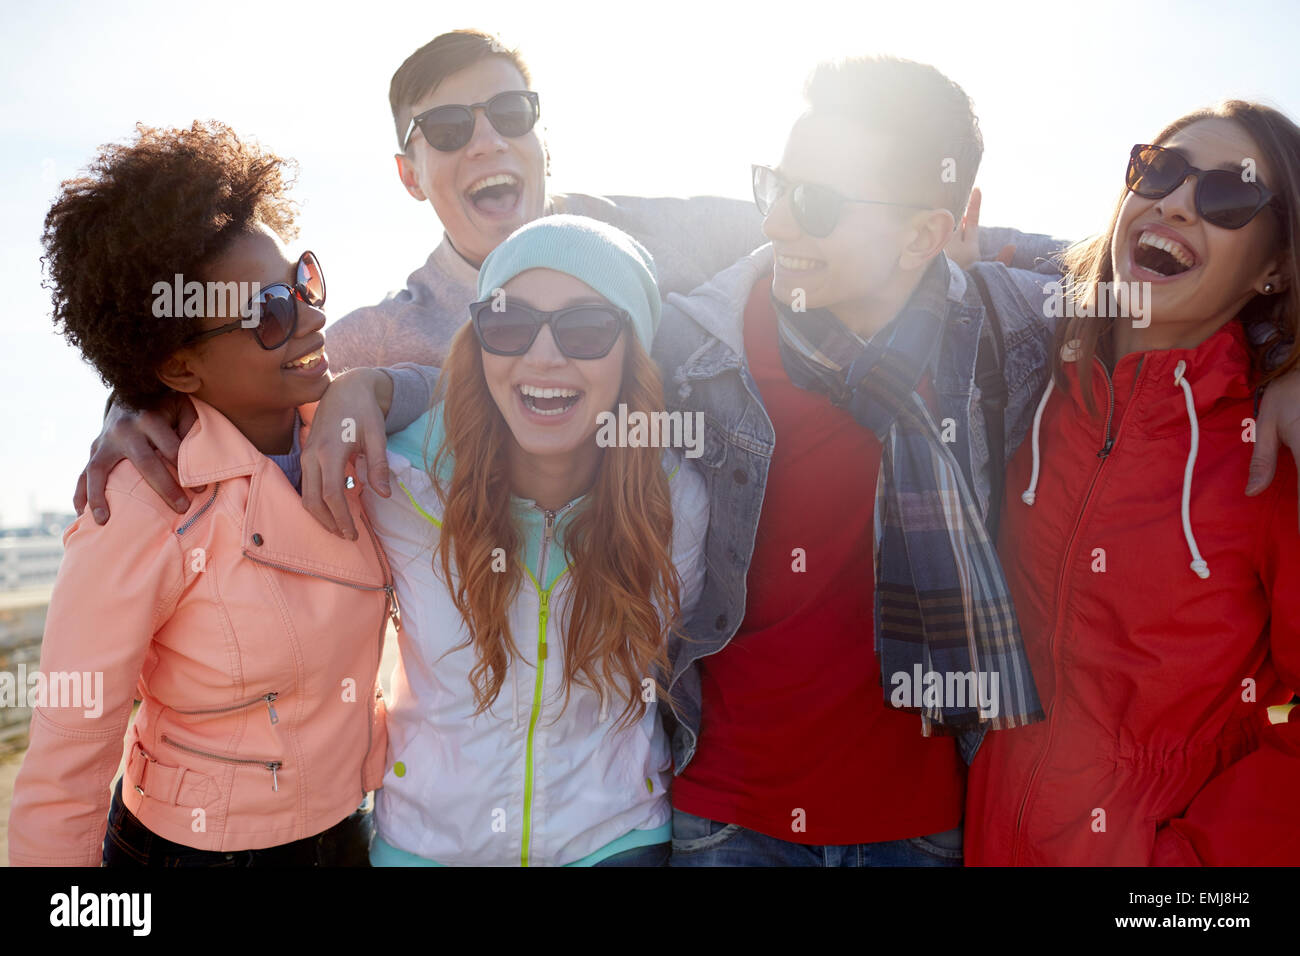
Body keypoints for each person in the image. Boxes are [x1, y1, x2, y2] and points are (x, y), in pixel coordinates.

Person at [72, 28, 767, 527]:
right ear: (409, 174)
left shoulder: (674, 235)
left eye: (509, 113)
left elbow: (816, 224)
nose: (488, 140)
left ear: (541, 135)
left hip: (691, 680)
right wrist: (130, 408)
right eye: (447, 129)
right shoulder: (377, 338)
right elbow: (223, 369)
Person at [8, 122, 391, 866]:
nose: (310, 318)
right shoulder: (139, 507)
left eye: (302, 283)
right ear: (179, 369)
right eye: (269, 315)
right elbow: (70, 751)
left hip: (353, 832)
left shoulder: (356, 441)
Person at [965, 101, 1300, 865]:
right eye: (1162, 170)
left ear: (1276, 266)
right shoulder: (1025, 376)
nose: (1177, 201)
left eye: (1227, 197)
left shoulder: (1271, 447)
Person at [360, 215, 708, 866]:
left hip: (616, 842)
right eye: (510, 323)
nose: (543, 357)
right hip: (423, 847)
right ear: (479, 342)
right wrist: (132, 406)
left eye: (586, 328)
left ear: (634, 353)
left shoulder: (677, 502)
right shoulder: (397, 484)